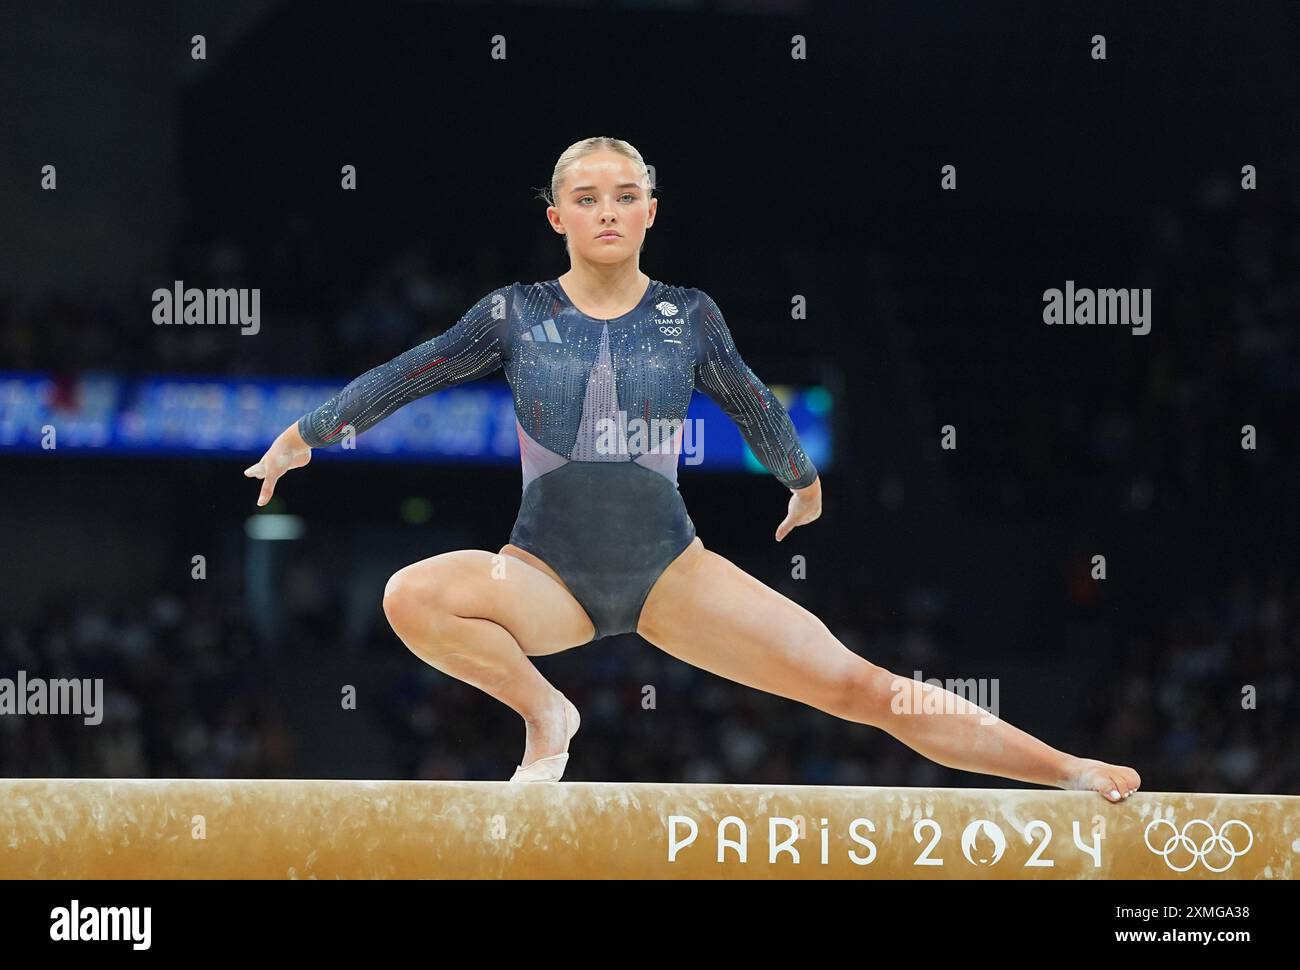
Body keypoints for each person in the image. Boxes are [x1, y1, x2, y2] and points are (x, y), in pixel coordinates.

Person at [245, 136, 1141, 799]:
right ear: (557, 217)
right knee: (411, 594)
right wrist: (305, 435)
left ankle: (1066, 769)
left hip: (673, 573)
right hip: (540, 574)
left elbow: (751, 399)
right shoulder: (512, 314)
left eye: (624, 195)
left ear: (649, 213)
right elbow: (415, 369)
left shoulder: (689, 314)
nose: (605, 211)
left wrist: (801, 477)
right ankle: (546, 714)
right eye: (586, 198)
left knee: (862, 687)